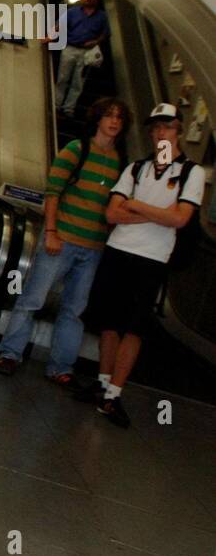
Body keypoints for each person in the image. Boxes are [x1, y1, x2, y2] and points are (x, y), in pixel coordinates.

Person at [76, 104, 204, 427]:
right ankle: (103, 384)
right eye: (156, 127)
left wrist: (136, 206)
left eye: (168, 127)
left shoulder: (191, 172)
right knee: (108, 320)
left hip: (152, 259)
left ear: (179, 131)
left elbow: (180, 218)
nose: (161, 133)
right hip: (119, 249)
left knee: (134, 326)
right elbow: (112, 214)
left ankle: (115, 393)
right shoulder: (136, 168)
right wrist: (155, 213)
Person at [0, 98, 130, 382]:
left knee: (74, 310)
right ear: (97, 119)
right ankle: (10, 352)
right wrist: (52, 232)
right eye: (108, 115)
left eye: (119, 117)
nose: (114, 122)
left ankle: (61, 367)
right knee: (33, 298)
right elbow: (53, 192)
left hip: (94, 247)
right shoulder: (76, 150)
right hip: (63, 238)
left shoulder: (122, 162)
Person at [46, 0, 108, 117]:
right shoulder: (73, 11)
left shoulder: (102, 16)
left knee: (78, 82)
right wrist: (50, 37)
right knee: (63, 77)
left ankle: (69, 107)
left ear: (97, 0)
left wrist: (95, 41)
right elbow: (60, 24)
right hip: (70, 48)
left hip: (86, 52)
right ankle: (56, 104)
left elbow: (105, 33)